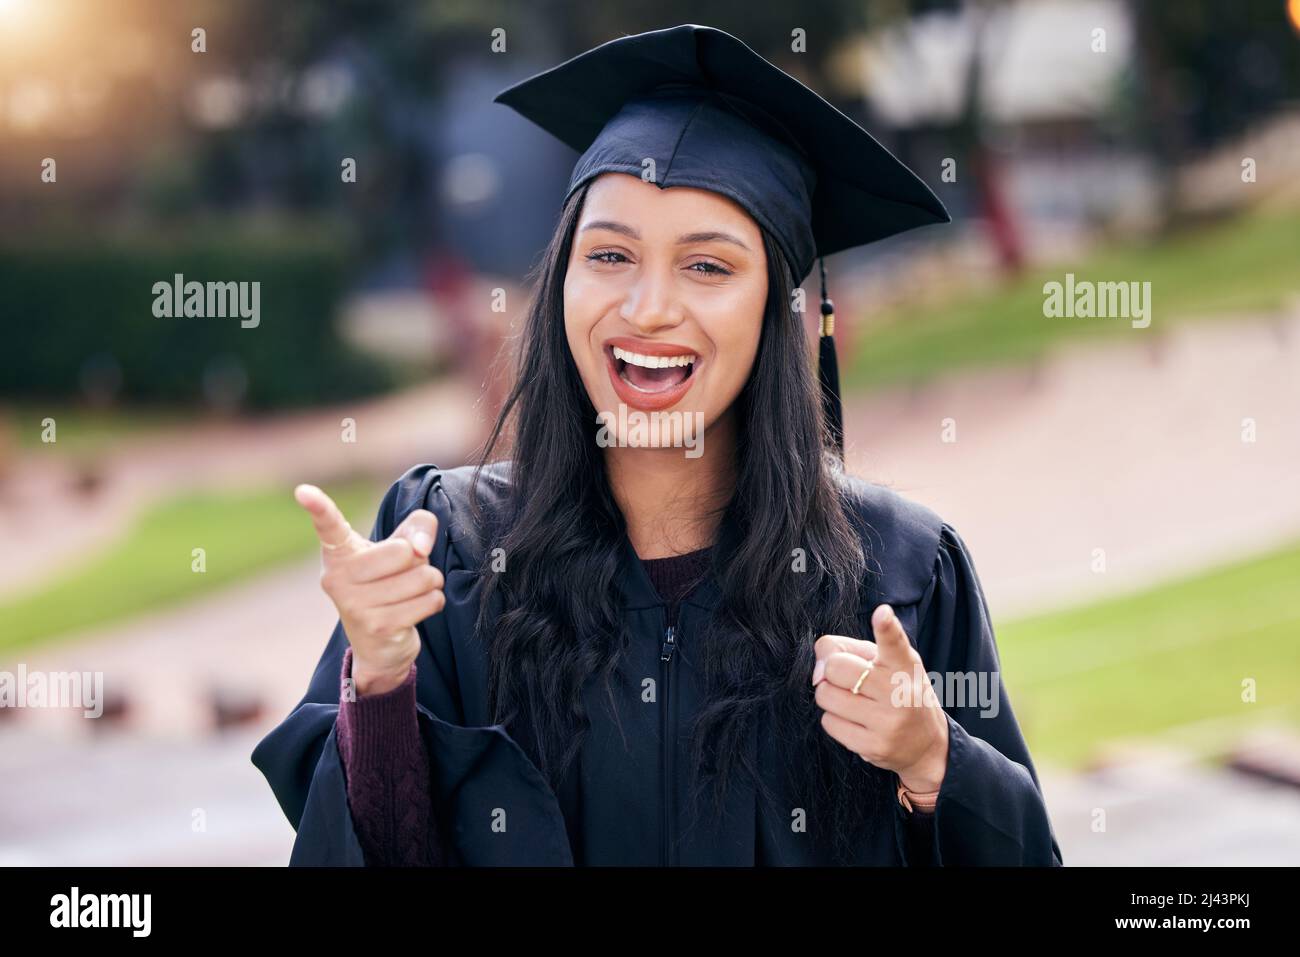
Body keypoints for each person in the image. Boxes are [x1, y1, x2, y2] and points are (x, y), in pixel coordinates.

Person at [251, 24, 1063, 867]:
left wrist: (936, 766)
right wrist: (381, 684)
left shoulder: (900, 577)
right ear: (562, 277)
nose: (646, 308)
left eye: (707, 268)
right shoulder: (451, 554)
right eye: (609, 254)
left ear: (773, 313)